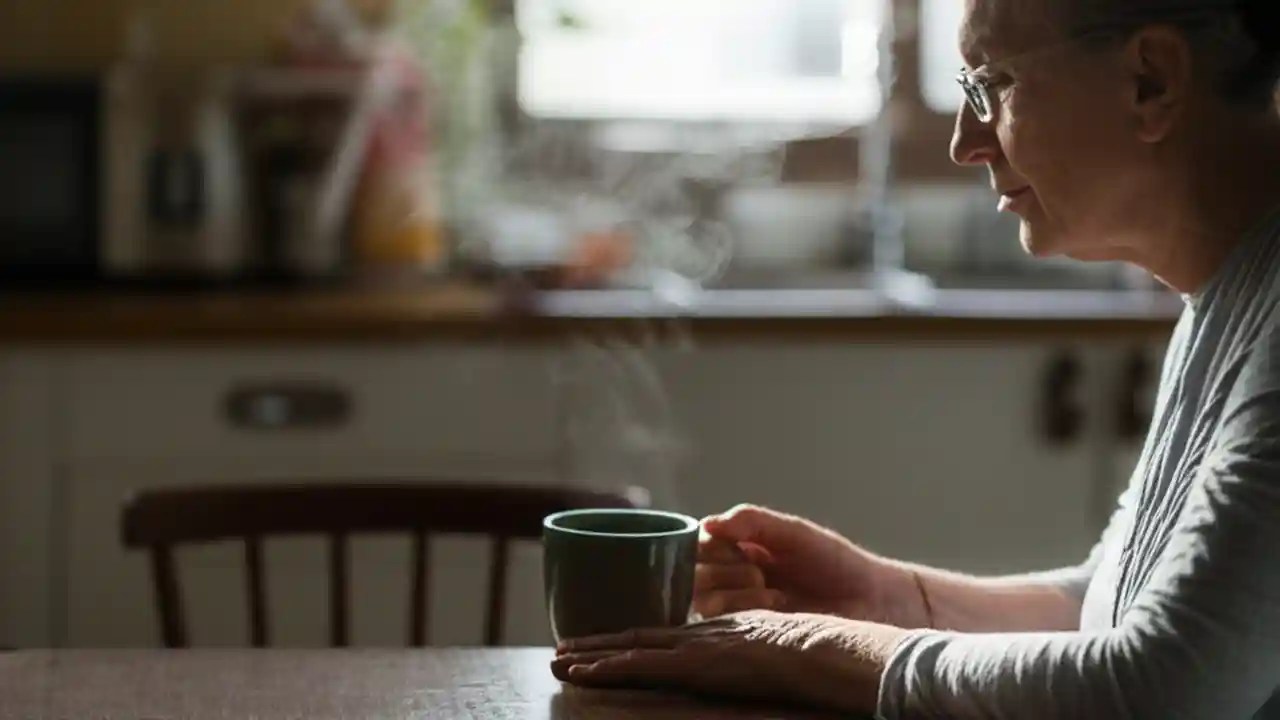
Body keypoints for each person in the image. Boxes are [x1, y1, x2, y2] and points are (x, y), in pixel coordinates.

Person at [551, 0, 1280, 717]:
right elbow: (1112, 607)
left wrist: (807, 651)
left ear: (1149, 81)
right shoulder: (1232, 291)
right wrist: (890, 598)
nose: (967, 141)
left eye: (992, 85)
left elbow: (1162, 688)